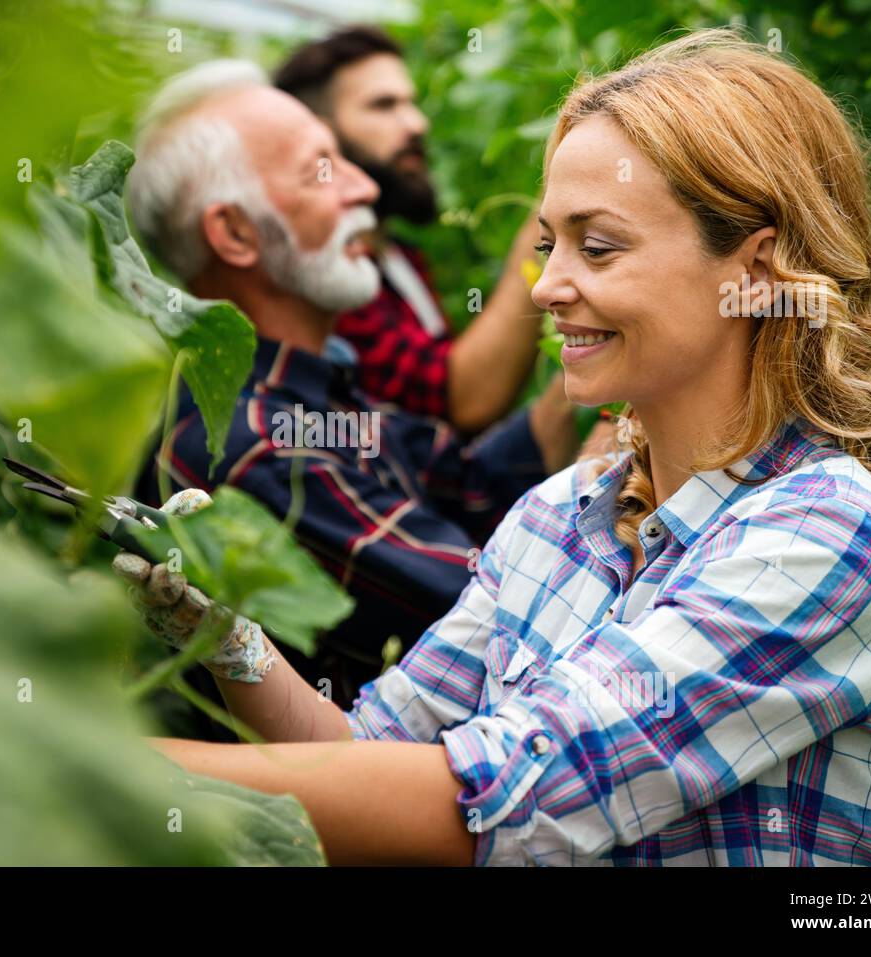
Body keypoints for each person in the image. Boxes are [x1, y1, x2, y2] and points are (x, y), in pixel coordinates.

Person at [120, 29, 871, 866]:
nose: (547, 287)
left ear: (757, 272)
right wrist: (240, 648)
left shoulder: (831, 532)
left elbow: (494, 806)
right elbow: (368, 743)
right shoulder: (555, 514)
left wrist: (110, 770)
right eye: (550, 244)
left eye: (597, 246)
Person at [124, 61, 581, 708]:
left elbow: (474, 480)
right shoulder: (250, 447)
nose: (367, 186)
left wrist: (606, 370)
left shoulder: (312, 390)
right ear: (234, 232)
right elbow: (503, 608)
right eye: (323, 168)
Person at [274, 26, 548, 434]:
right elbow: (461, 401)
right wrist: (545, 227)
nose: (417, 124)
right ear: (318, 133)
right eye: (384, 106)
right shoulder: (323, 272)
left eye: (411, 104)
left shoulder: (399, 256)